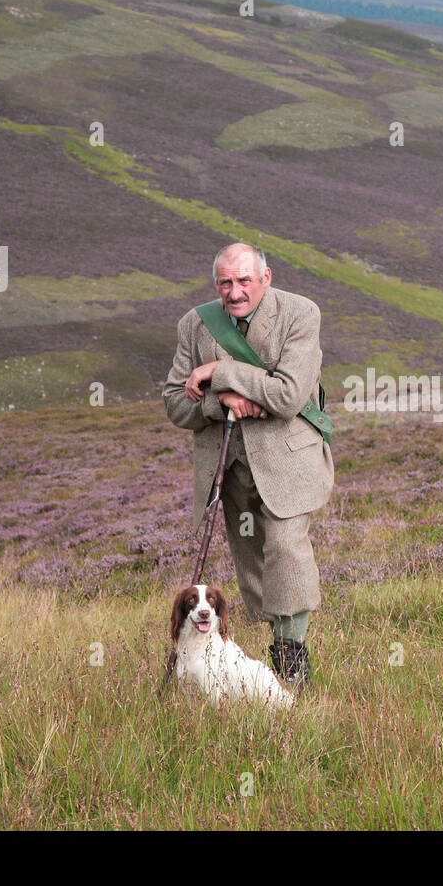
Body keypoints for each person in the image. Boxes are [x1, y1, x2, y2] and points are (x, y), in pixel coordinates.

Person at [162, 242, 333, 690]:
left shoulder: (300, 314)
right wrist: (222, 403)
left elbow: (288, 396)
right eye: (225, 283)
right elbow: (177, 406)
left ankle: (291, 661)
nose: (234, 292)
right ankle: (263, 658)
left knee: (285, 548)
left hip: (290, 461)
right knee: (252, 564)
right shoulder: (193, 325)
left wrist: (220, 370)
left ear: (266, 278)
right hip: (230, 468)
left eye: (244, 281)